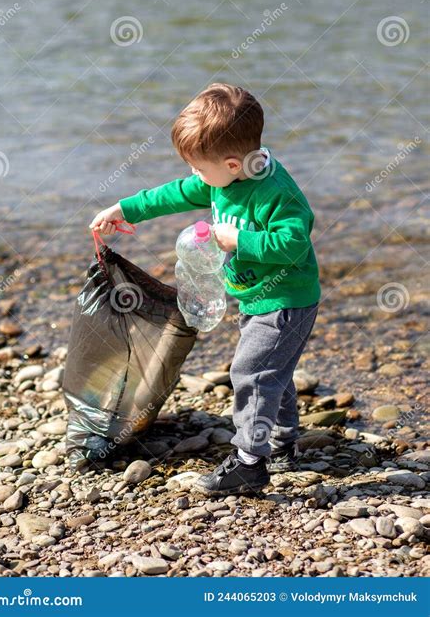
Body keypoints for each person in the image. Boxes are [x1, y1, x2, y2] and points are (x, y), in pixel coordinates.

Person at [90, 83, 321, 496]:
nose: (196, 176)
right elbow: (176, 193)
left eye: (199, 168)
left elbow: (294, 244)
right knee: (275, 372)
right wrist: (124, 208)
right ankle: (283, 443)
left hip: (286, 302)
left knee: (250, 372)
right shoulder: (223, 176)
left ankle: (249, 462)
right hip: (257, 296)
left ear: (233, 163)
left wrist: (239, 242)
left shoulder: (276, 193)